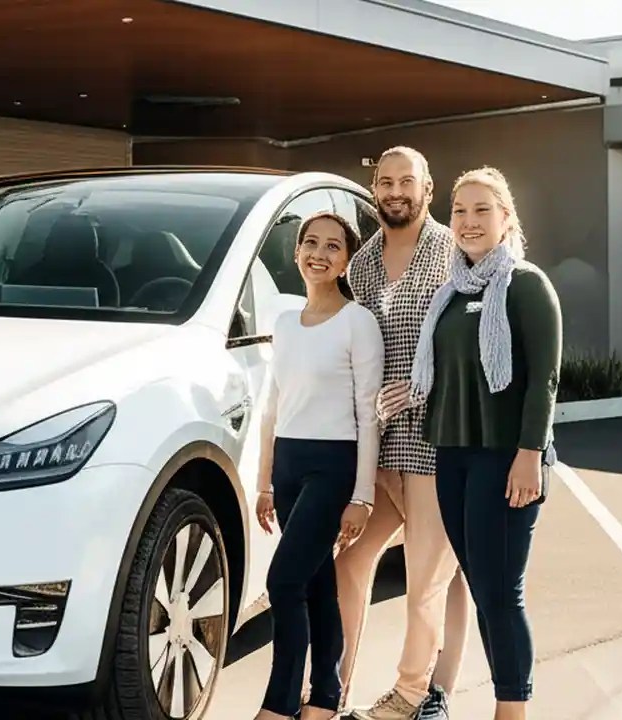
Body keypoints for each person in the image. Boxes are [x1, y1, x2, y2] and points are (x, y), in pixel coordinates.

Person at [409, 166, 560, 720]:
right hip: (452, 457)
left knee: (500, 593)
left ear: (506, 219)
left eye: (481, 210)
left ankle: (512, 709)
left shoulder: (526, 285)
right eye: (459, 211)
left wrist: (530, 455)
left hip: (507, 457)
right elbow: (444, 374)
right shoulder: (449, 293)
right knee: (482, 587)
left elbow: (544, 378)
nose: (468, 221)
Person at [338, 146, 472, 720]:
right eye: (385, 181)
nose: (395, 191)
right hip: (380, 445)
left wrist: (423, 385)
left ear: (427, 188)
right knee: (349, 561)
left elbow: (472, 339)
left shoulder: (453, 251)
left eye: (406, 181)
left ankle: (416, 694)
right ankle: (331, 687)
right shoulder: (361, 264)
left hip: (436, 441)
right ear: (375, 189)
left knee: (429, 578)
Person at [253, 212, 383, 720]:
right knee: (315, 583)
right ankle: (325, 697)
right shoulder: (286, 323)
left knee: (283, 583)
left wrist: (362, 495)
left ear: (346, 260)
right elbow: (272, 405)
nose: (319, 253)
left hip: (332, 466)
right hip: (288, 463)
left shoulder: (358, 322)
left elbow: (369, 413)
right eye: (310, 243)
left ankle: (280, 704)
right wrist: (264, 482)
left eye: (333, 246)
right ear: (297, 253)